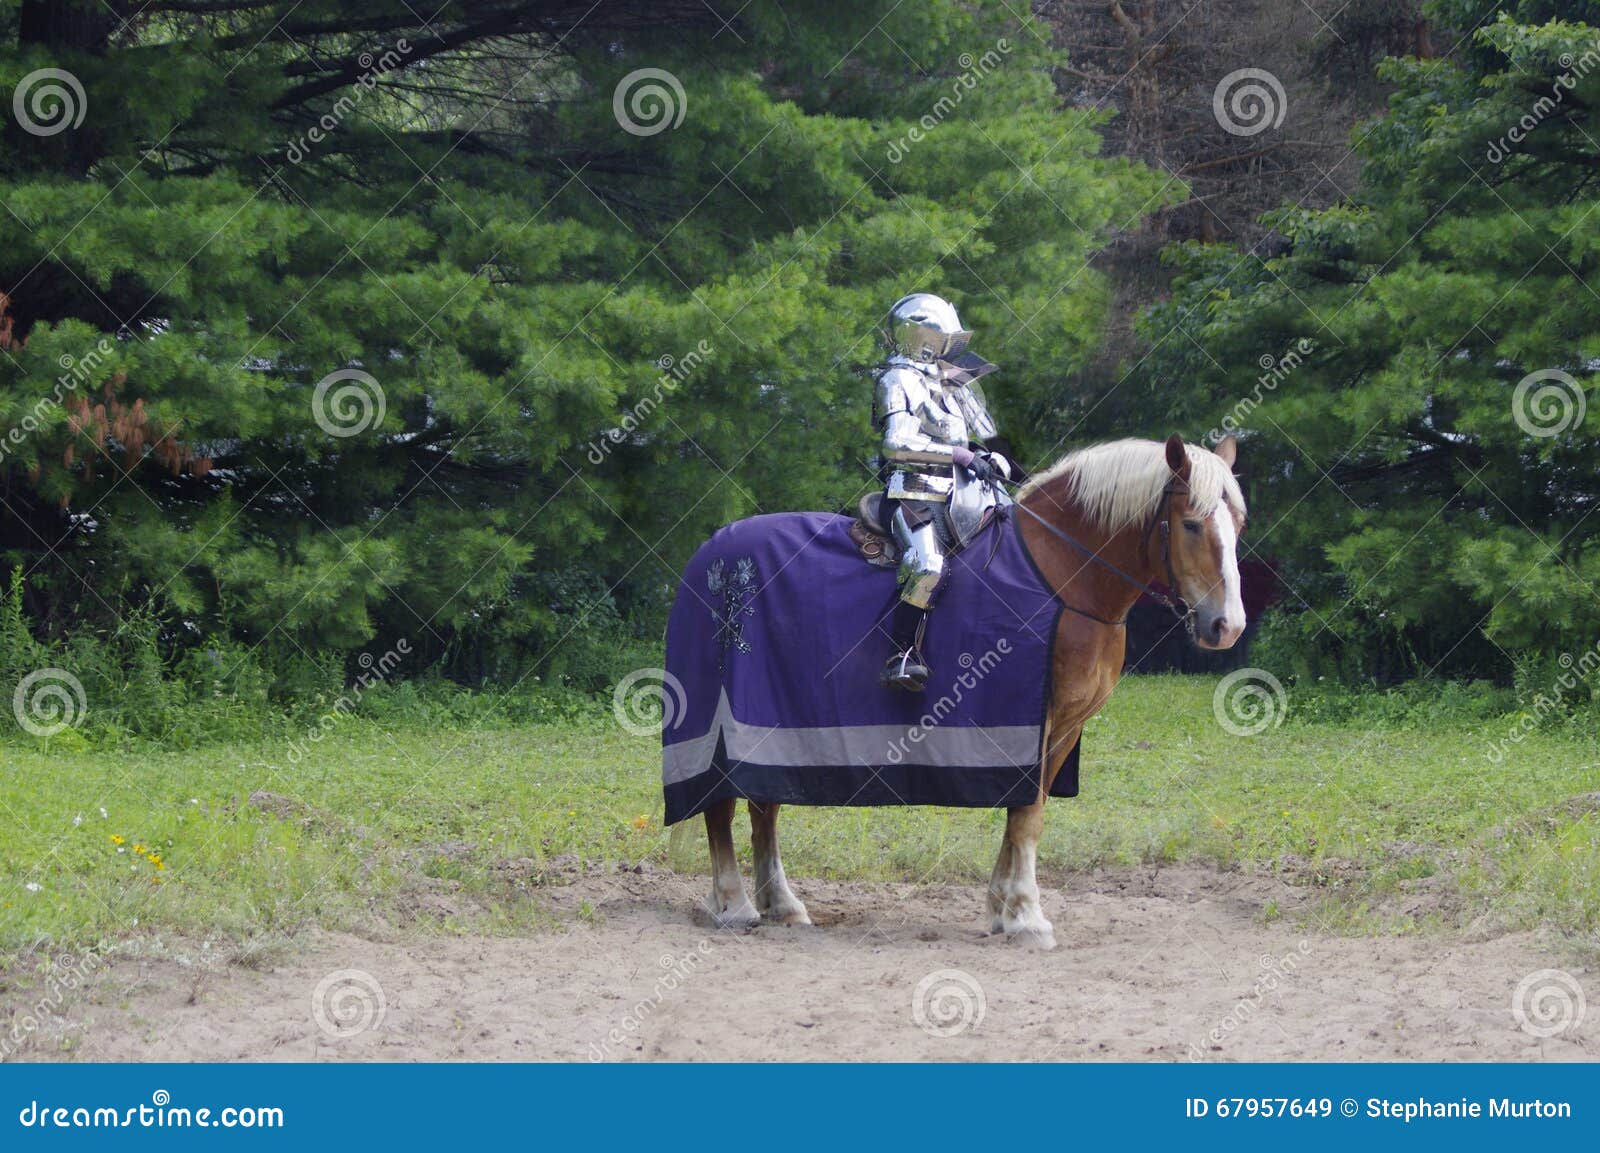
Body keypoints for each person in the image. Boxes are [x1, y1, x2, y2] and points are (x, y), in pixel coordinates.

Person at [873, 293, 1011, 692]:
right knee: (928, 566)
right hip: (914, 494)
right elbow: (895, 443)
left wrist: (992, 459)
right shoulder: (896, 379)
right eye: (944, 339)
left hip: (965, 496)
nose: (952, 348)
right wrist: (961, 455)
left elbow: (981, 438)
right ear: (919, 336)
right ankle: (900, 656)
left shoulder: (949, 381)